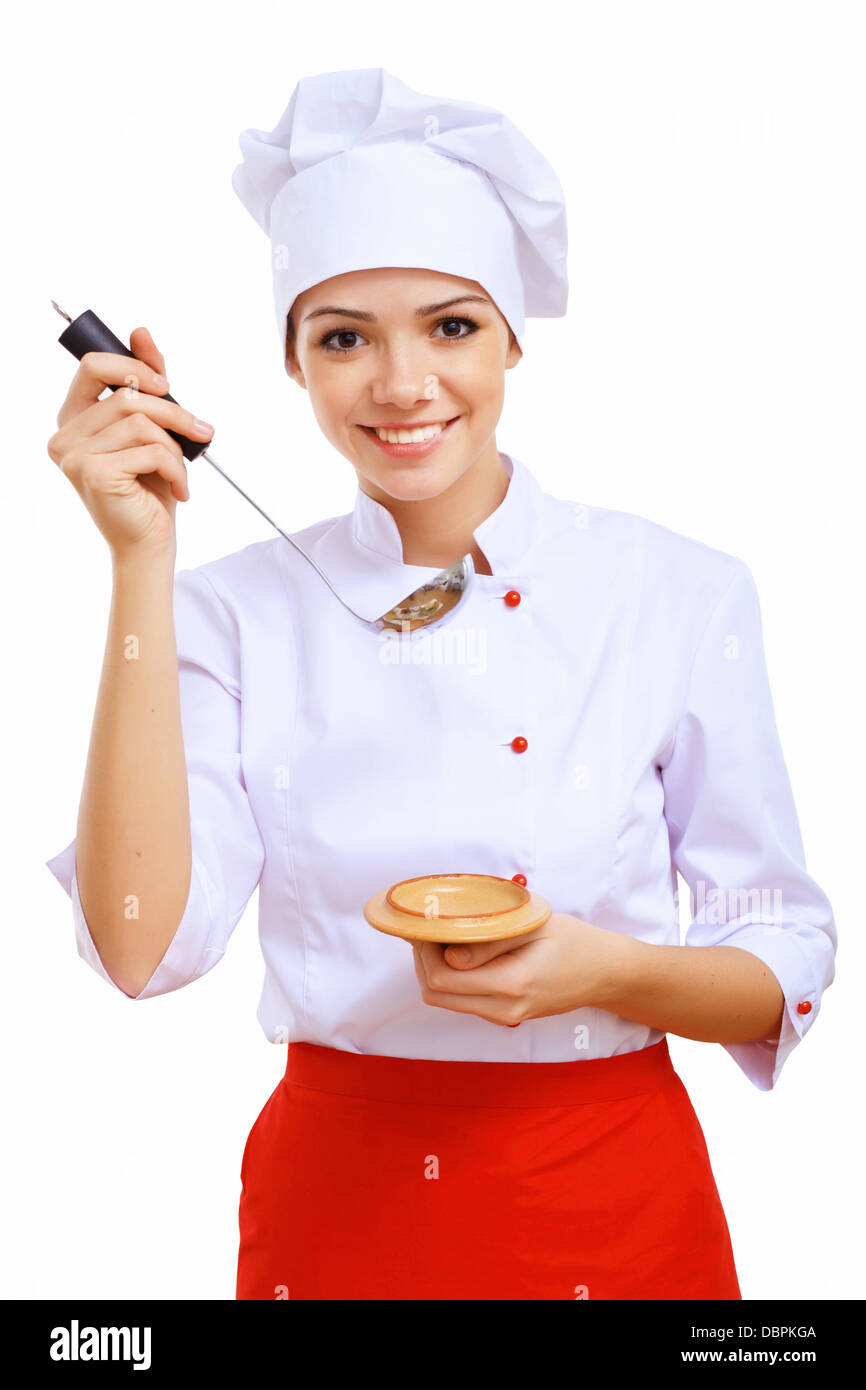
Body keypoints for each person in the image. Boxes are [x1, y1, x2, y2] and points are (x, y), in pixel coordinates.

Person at [45, 68, 837, 1301]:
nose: (402, 383)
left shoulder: (675, 591)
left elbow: (781, 944)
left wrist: (604, 972)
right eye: (343, 336)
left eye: (451, 325)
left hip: (610, 1196)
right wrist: (141, 561)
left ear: (514, 336)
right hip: (340, 1205)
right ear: (293, 365)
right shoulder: (227, 611)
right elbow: (142, 952)